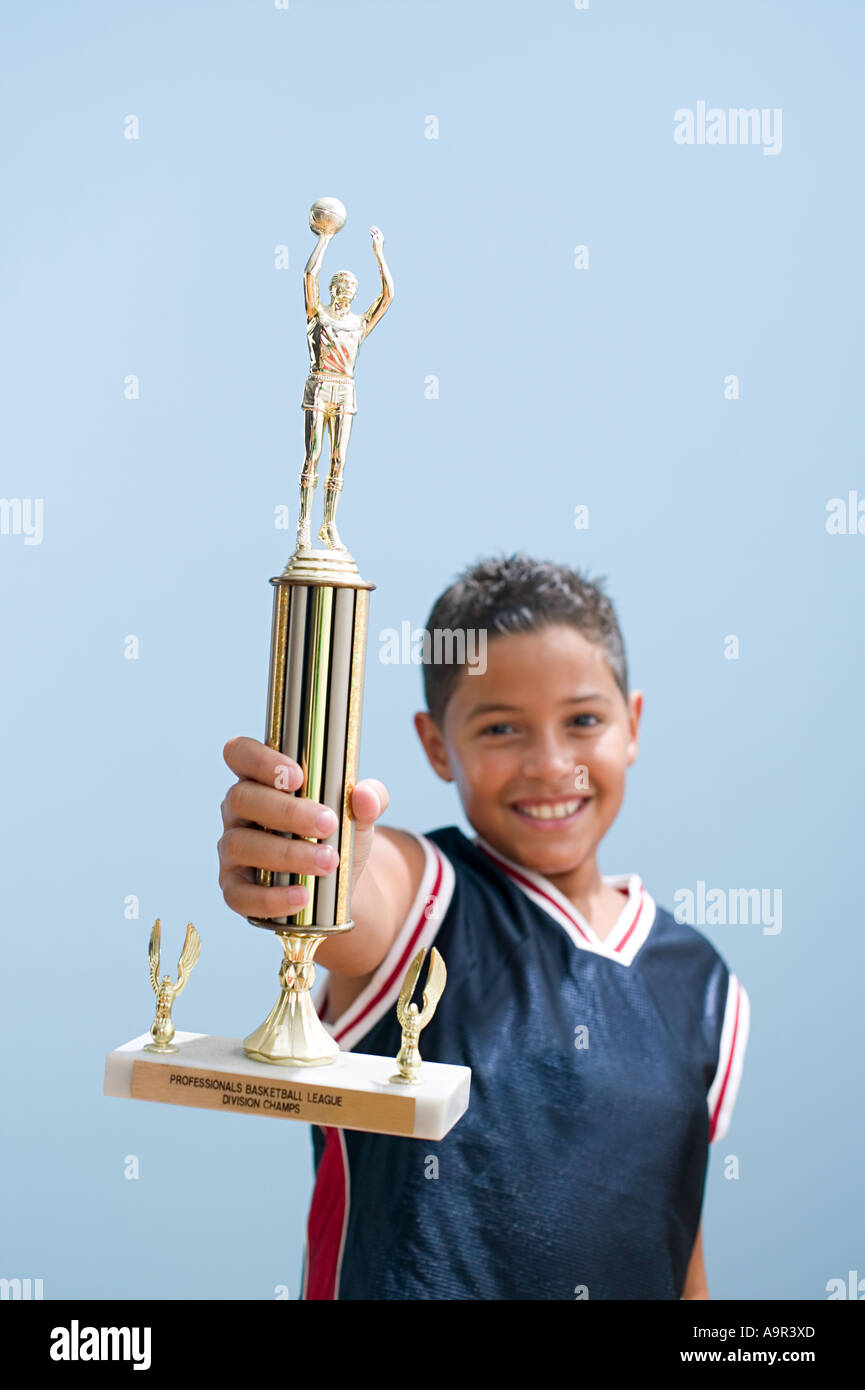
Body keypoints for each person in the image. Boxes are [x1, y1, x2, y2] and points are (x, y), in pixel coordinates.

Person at [217, 554, 750, 1300]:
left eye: (583, 721)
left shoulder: (702, 984)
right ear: (438, 745)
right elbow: (357, 902)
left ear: (631, 725)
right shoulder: (429, 897)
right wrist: (304, 858)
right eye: (501, 728)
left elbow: (677, 1238)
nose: (550, 764)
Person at [297, 224, 393, 552]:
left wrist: (379, 255)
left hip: (345, 388)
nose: (347, 290)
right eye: (342, 285)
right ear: (334, 289)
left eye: (351, 286)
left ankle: (329, 523)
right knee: (313, 455)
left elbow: (388, 296)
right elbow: (309, 276)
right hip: (320, 384)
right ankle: (304, 526)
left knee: (338, 459)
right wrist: (325, 239)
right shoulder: (318, 315)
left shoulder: (358, 324)